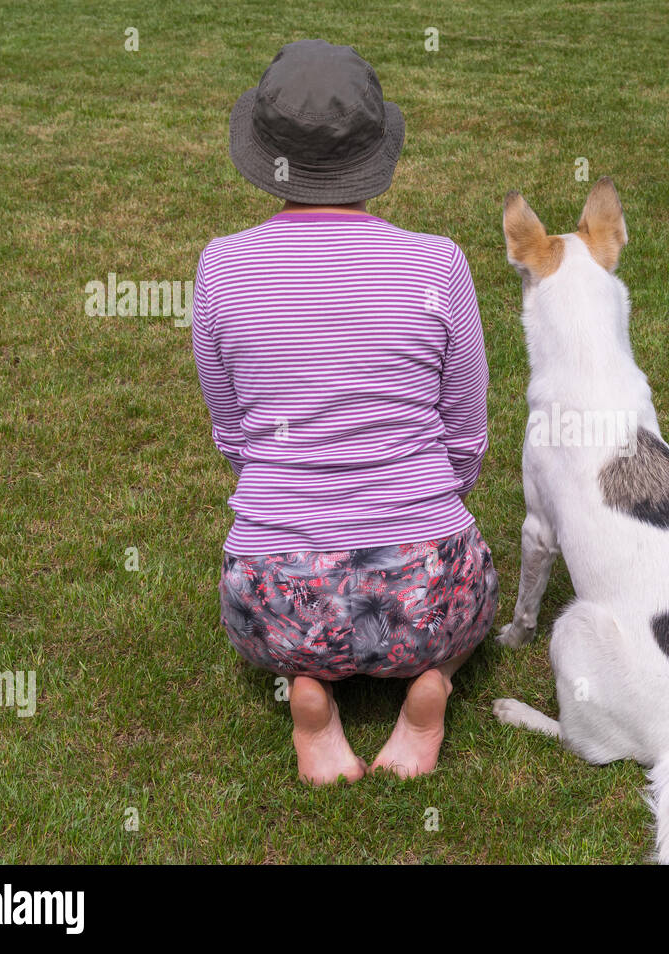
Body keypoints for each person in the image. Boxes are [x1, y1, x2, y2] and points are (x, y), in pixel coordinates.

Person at [190, 39, 497, 784]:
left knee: (274, 622)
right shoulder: (438, 262)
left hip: (275, 594)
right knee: (474, 598)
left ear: (265, 152)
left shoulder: (222, 265)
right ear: (375, 153)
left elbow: (232, 432)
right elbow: (465, 436)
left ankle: (309, 691)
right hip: (427, 593)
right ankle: (433, 687)